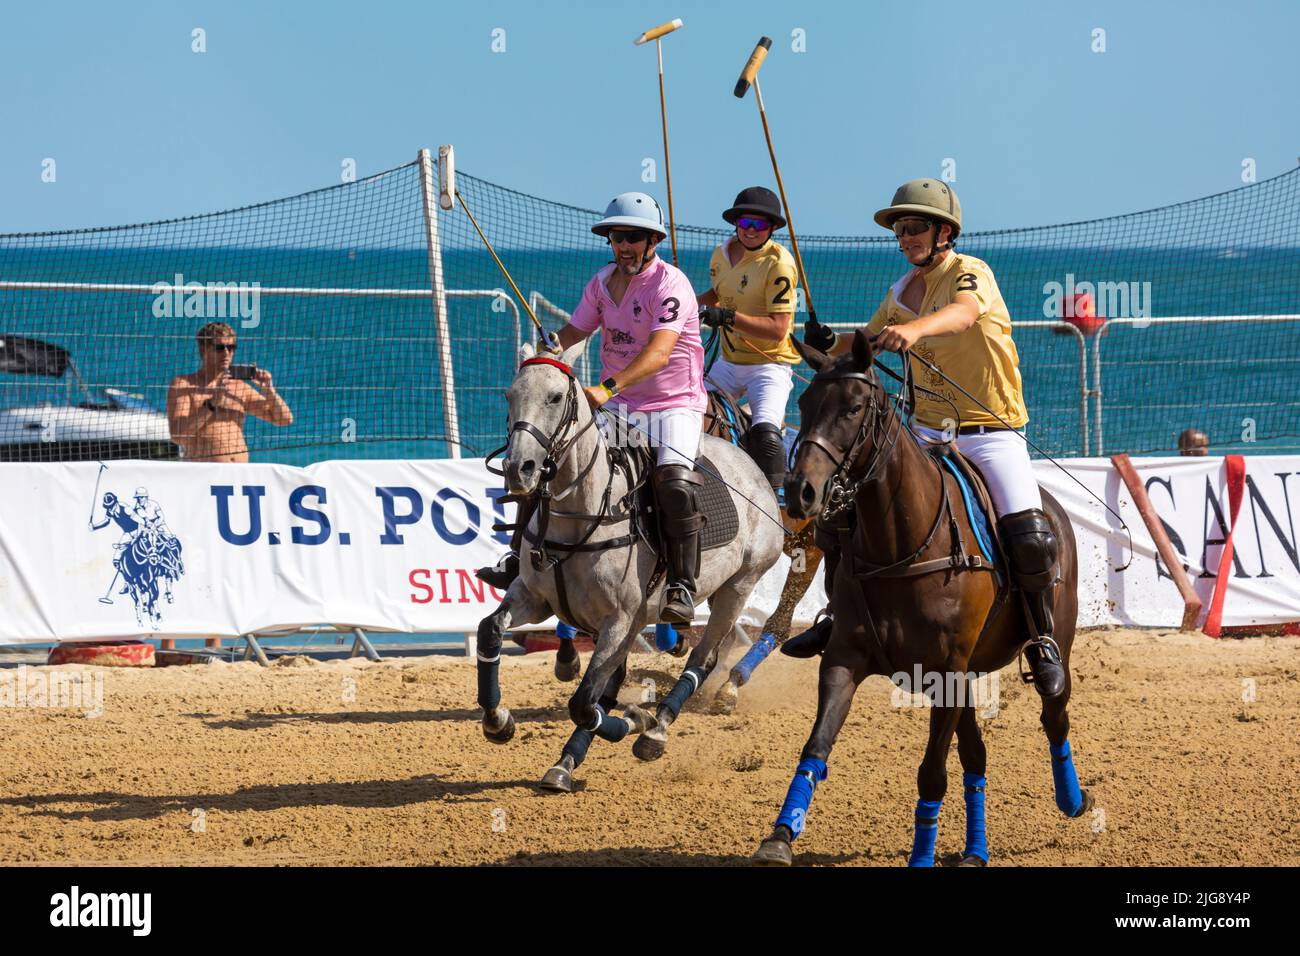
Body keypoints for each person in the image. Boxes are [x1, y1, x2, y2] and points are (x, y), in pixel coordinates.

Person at [789, 178, 1066, 699]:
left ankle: (1041, 639)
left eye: (914, 226)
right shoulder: (900, 292)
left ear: (944, 232)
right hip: (925, 433)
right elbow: (866, 342)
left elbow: (963, 317)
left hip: (990, 432)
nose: (905, 236)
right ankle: (836, 615)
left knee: (1029, 536)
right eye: (900, 228)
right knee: (842, 514)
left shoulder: (970, 273)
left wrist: (914, 332)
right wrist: (832, 341)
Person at [476, 192, 707, 625]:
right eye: (619, 236)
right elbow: (576, 330)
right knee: (548, 463)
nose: (625, 245)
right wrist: (552, 347)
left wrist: (606, 388)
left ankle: (681, 584)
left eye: (635, 237)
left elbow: (659, 354)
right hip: (620, 403)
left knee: (673, 482)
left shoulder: (670, 284)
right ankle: (516, 559)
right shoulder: (602, 283)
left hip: (673, 405)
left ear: (652, 241)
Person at [696, 186, 800, 496]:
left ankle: (774, 511)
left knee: (766, 437)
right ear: (735, 224)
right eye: (745, 224)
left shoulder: (779, 264)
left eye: (760, 225)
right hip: (729, 363)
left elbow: (778, 328)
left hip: (769, 366)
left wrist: (727, 317)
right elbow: (719, 293)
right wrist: (686, 303)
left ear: (772, 228)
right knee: (687, 413)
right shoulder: (720, 255)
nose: (751, 231)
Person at [166, 322, 293, 463]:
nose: (227, 353)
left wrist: (269, 390)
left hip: (238, 474)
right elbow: (178, 435)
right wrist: (211, 404)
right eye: (220, 348)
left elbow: (284, 419)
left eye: (231, 347)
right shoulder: (184, 385)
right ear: (203, 350)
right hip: (204, 474)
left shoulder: (239, 387)